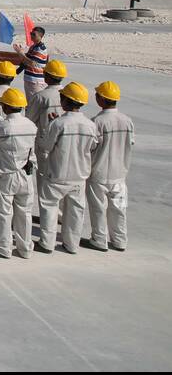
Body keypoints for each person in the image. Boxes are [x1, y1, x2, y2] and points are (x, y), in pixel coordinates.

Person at [37, 82, 99, 255]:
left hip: (57, 174)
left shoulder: (58, 124)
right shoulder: (90, 125)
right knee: (75, 212)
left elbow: (46, 146)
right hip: (79, 176)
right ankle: (71, 245)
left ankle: (47, 243)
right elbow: (93, 146)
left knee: (49, 208)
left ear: (66, 101)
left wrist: (48, 128)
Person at [0, 88, 36, 259]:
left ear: (6, 107)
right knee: (24, 212)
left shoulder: (3, 126)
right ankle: (25, 247)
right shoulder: (30, 125)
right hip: (25, 173)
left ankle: (4, 247)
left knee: (5, 213)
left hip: (7, 174)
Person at [85, 81, 133, 253]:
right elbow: (130, 143)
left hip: (99, 173)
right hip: (120, 174)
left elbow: (90, 146)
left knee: (98, 208)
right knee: (119, 209)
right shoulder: (127, 121)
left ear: (102, 99)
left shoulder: (97, 122)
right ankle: (119, 240)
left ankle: (99, 239)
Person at [13, 26, 50, 99]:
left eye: (34, 34)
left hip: (35, 81)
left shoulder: (40, 49)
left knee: (33, 104)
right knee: (31, 103)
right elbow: (25, 60)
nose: (31, 36)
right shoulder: (33, 46)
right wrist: (21, 52)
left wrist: (20, 52)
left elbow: (32, 63)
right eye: (31, 33)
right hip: (30, 79)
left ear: (40, 36)